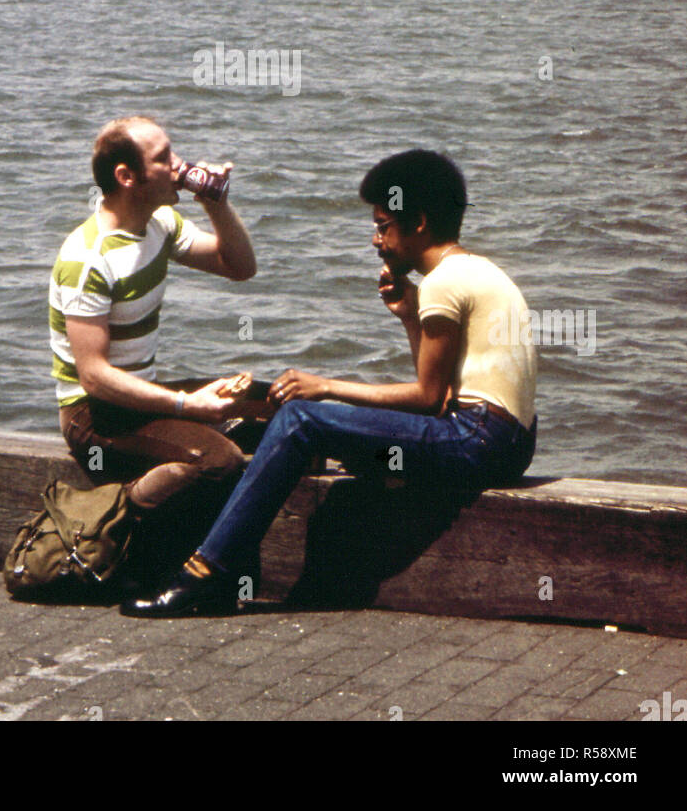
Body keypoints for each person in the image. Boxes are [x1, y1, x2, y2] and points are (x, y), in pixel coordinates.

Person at [121, 148, 537, 617]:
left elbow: (428, 398)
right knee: (302, 423)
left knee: (300, 418)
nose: (376, 241)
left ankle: (205, 576)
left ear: (418, 222)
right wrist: (407, 315)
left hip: (477, 440)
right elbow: (440, 396)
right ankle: (226, 561)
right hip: (508, 444)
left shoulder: (442, 285)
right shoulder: (474, 271)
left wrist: (324, 386)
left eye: (383, 227)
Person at [51, 115, 257, 516]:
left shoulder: (160, 223)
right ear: (128, 176)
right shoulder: (88, 259)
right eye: (164, 158)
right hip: (93, 418)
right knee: (220, 461)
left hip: (139, 399)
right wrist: (187, 406)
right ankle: (109, 517)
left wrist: (217, 204)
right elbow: (93, 377)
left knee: (275, 404)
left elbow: (239, 267)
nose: (179, 164)